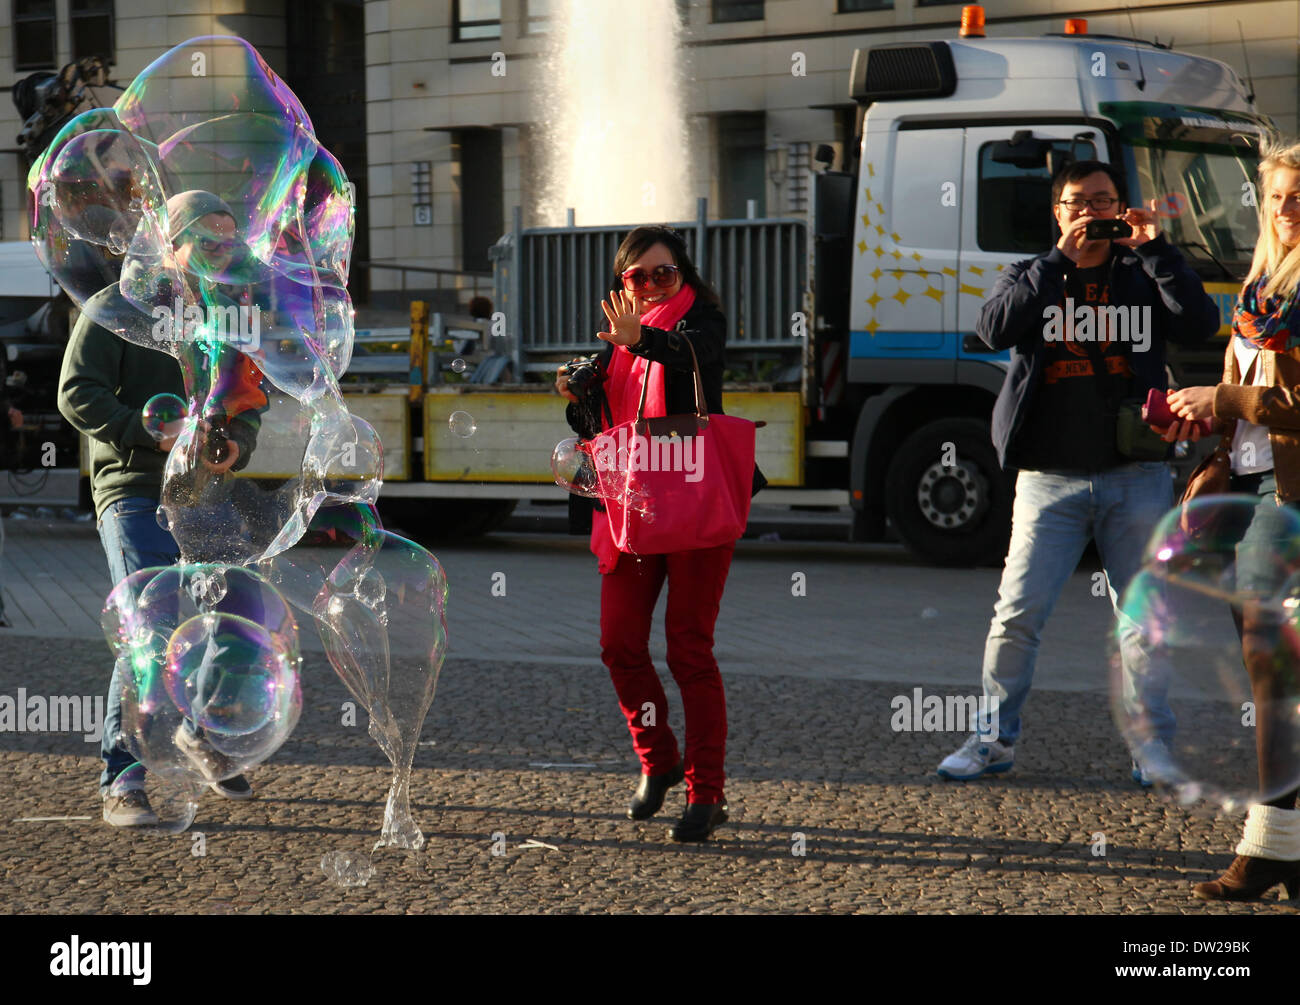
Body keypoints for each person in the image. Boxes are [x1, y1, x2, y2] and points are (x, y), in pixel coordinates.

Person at [936, 160, 1219, 782]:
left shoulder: (1144, 274)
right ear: (1058, 213)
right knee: (1017, 615)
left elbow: (1202, 325)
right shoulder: (1031, 274)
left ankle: (1152, 749)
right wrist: (1056, 265)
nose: (1092, 212)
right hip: (1048, 477)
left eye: (1104, 200)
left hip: (1135, 475)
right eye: (1078, 202)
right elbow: (989, 331)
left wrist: (1159, 248)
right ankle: (993, 741)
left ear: (1123, 208)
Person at [58, 190, 263, 827]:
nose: (220, 255)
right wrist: (147, 433)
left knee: (234, 618)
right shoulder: (114, 307)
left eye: (228, 243)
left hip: (204, 492)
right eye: (207, 242)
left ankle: (198, 730)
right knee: (148, 626)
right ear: (170, 245)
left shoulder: (228, 315)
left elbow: (246, 402)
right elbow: (75, 393)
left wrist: (235, 446)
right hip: (133, 486)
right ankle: (122, 778)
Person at [557, 225, 748, 842]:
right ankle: (658, 758)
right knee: (619, 645)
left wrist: (642, 342)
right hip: (630, 505)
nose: (650, 284)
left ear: (683, 274)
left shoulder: (702, 320)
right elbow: (602, 426)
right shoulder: (619, 338)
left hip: (692, 503)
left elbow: (695, 359)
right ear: (623, 283)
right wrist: (580, 389)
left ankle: (707, 792)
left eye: (663, 273)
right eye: (637, 276)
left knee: (689, 650)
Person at [1161, 138, 1300, 900]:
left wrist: (1230, 401)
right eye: (1275, 198)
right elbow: (1242, 395)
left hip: (1290, 499)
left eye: (1299, 200)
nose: (1284, 212)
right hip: (1246, 489)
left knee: (1273, 664)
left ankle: (1273, 843)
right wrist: (1201, 420)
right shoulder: (1261, 296)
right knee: (1272, 668)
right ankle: (1281, 843)